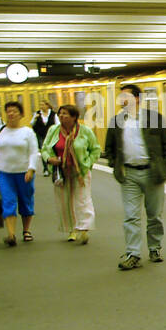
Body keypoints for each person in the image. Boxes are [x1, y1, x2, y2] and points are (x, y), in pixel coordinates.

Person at [105, 83, 166, 270]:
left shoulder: (155, 119)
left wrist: (163, 165)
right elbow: (109, 148)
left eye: (125, 96)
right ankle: (133, 253)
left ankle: (154, 247)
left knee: (154, 216)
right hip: (129, 175)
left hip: (153, 174)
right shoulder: (116, 122)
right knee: (131, 216)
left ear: (137, 99)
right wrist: (115, 164)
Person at [40, 104, 100, 244]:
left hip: (80, 171)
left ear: (74, 117)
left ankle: (84, 228)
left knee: (82, 199)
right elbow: (44, 149)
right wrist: (49, 159)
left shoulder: (85, 131)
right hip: (61, 171)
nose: (61, 116)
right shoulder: (53, 130)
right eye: (60, 113)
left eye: (65, 114)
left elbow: (95, 150)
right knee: (65, 201)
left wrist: (86, 163)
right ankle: (72, 229)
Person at [0, 101, 39, 246]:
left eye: (14, 111)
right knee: (8, 200)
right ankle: (11, 234)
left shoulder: (28, 132)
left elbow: (34, 152)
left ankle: (26, 230)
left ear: (21, 114)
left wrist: (31, 168)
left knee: (26, 201)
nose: (11, 113)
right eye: (8, 111)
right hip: (4, 172)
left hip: (24, 172)